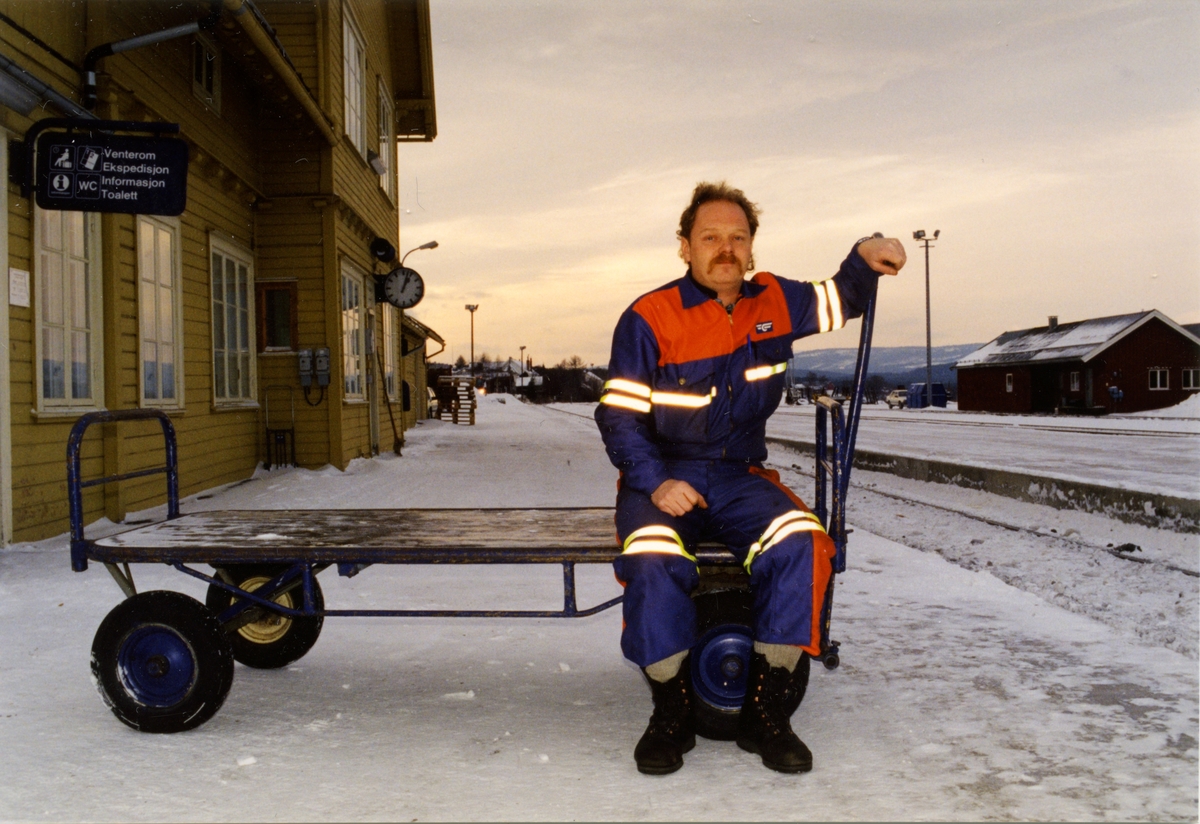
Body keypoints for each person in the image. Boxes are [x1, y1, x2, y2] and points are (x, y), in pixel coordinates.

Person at [594, 182, 905, 775]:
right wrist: (655, 480)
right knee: (654, 558)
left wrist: (867, 252)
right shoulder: (648, 316)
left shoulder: (776, 300)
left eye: (738, 237)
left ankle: (767, 713)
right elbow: (619, 415)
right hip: (663, 476)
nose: (725, 248)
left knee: (803, 544)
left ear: (752, 247)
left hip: (739, 474)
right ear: (685, 247)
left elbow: (844, 295)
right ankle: (670, 712)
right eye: (710, 237)